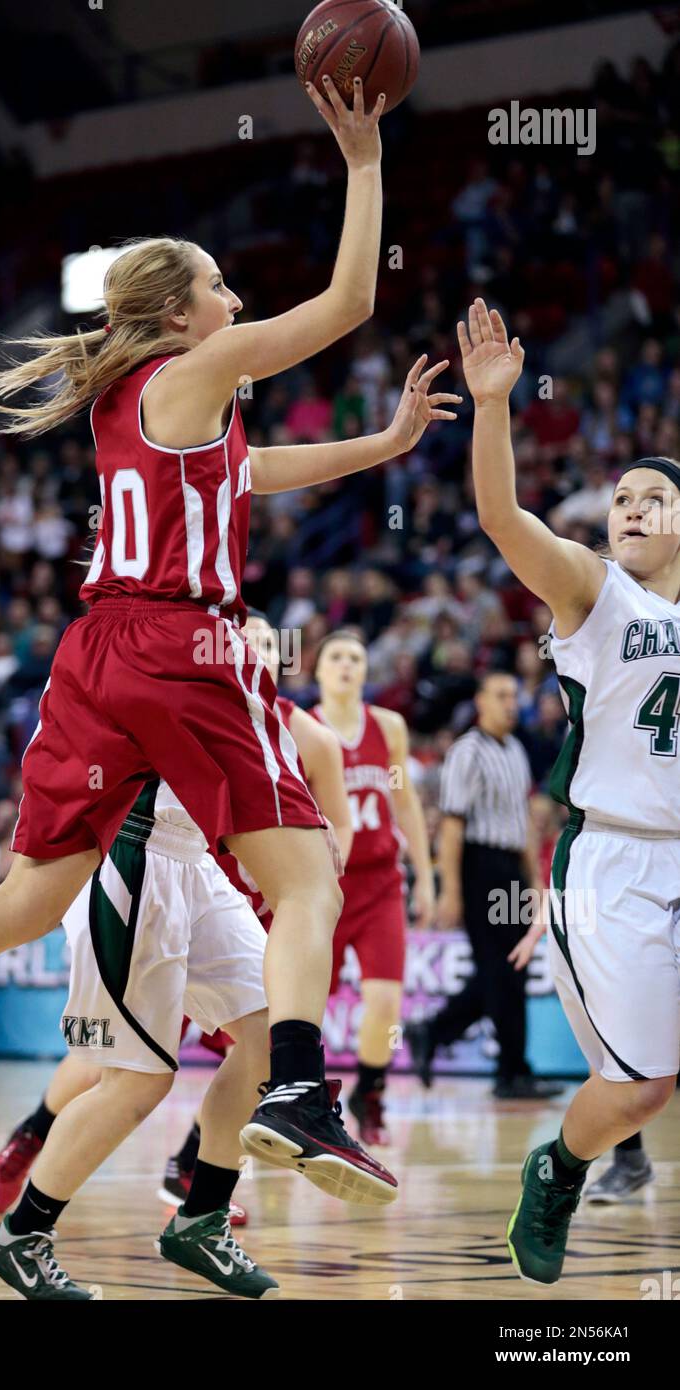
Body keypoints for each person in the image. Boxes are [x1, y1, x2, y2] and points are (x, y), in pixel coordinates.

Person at [0, 75, 460, 1203]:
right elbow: (349, 303)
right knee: (312, 880)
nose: (233, 294)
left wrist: (385, 441)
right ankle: (300, 1092)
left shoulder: (146, 401)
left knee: (28, 895)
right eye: (217, 285)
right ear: (177, 313)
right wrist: (362, 164)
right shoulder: (197, 367)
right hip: (184, 649)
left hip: (97, 652)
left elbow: (256, 472)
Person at [0, 612, 352, 1232]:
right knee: (121, 1070)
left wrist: (305, 870)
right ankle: (30, 1142)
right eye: (245, 642)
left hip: (218, 891)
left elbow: (334, 828)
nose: (253, 653)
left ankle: (194, 1191)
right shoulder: (184, 687)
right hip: (146, 871)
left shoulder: (300, 735)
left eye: (265, 647)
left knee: (265, 1041)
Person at [458, 297, 680, 1285]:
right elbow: (501, 517)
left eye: (651, 498)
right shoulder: (596, 592)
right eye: (619, 496)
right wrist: (493, 406)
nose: (627, 507)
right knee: (638, 1091)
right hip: (617, 855)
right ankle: (555, 1169)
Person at [0, 774, 277, 1300]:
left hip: (197, 854)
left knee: (272, 1029)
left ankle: (201, 1217)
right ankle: (21, 1233)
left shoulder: (274, 707)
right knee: (135, 1082)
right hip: (136, 843)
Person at [407, 672, 563, 1101]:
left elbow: (525, 825)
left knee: (506, 970)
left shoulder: (515, 750)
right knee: (503, 971)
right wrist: (451, 889)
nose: (511, 702)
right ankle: (512, 1072)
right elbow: (452, 827)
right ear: (481, 702)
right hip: (479, 865)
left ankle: (432, 1031)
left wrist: (533, 878)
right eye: (501, 695)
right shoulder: (466, 752)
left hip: (511, 865)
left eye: (514, 694)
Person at [311, 629, 435, 1145]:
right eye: (335, 657)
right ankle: (305, 1097)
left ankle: (373, 1093)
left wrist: (426, 877)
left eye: (355, 658)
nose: (346, 665)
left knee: (385, 1000)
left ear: (366, 670)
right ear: (317, 670)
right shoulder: (304, 729)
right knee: (309, 1004)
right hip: (324, 886)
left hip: (382, 881)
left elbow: (403, 802)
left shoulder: (389, 728)